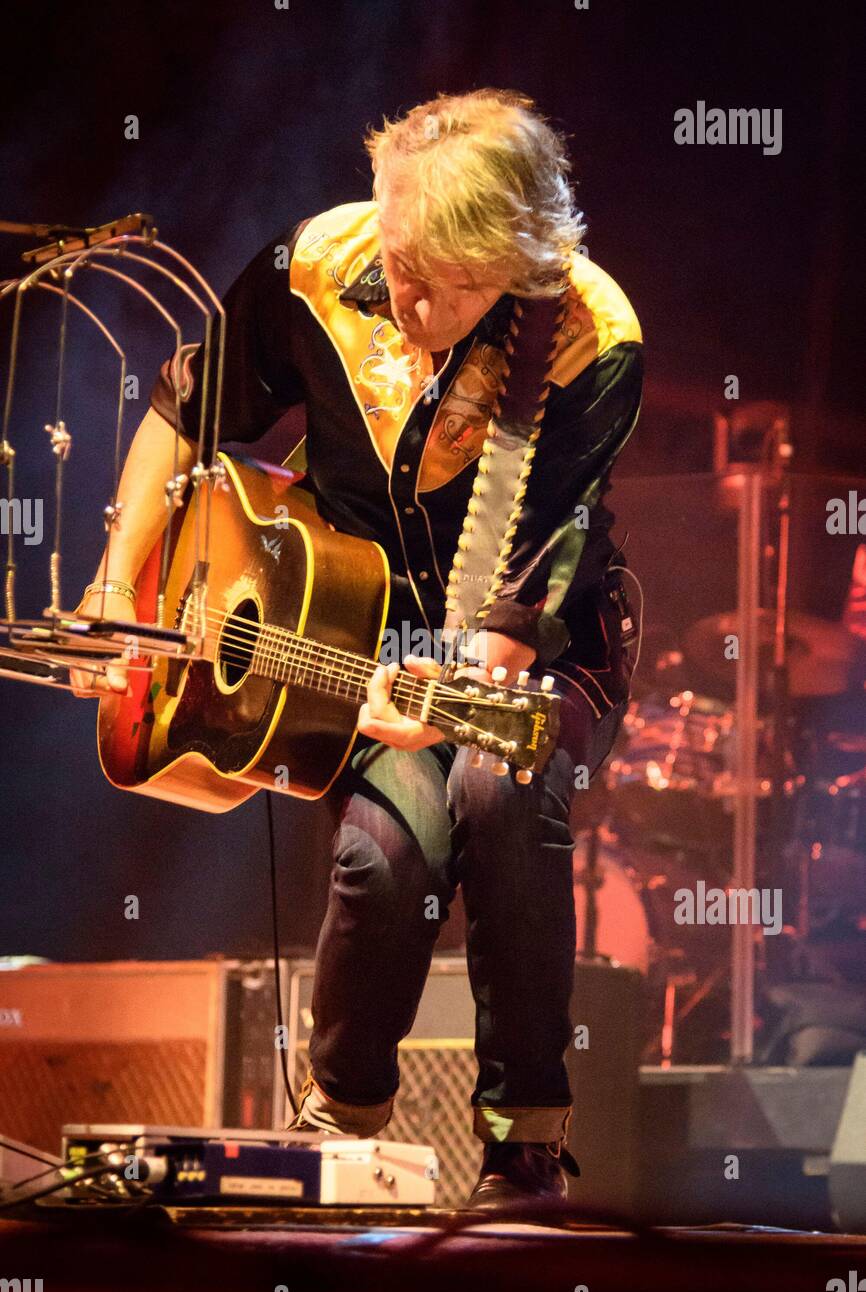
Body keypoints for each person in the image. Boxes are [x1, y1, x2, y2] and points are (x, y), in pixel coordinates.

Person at [72, 89, 643, 1210]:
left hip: (540, 644)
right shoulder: (316, 262)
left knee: (495, 785)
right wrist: (112, 584)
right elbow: (183, 412)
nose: (407, 301)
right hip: (361, 635)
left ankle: (525, 1139)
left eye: (446, 285)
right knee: (384, 857)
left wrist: (458, 686)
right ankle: (347, 1134)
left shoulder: (589, 339)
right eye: (400, 261)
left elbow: (549, 555)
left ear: (518, 264)